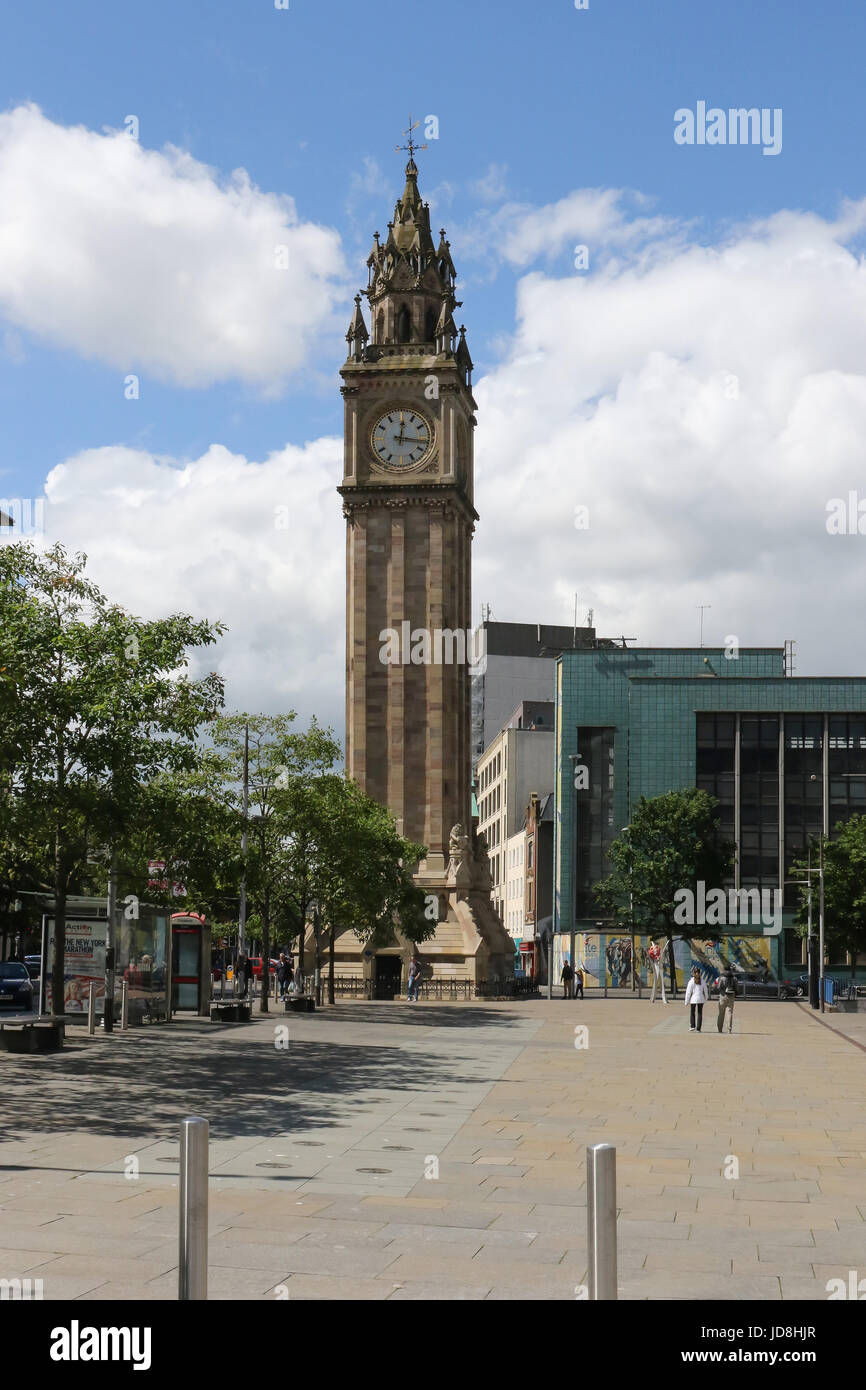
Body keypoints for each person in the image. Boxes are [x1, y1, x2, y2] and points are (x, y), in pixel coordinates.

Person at [684, 966, 708, 1032]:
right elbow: (705, 990)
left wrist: (686, 1001)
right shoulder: (702, 981)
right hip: (701, 999)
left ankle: (692, 1026)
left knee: (692, 1012)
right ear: (699, 973)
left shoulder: (691, 981)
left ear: (693, 973)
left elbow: (688, 992)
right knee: (700, 1013)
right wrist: (706, 998)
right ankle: (698, 1028)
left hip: (693, 999)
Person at [716, 964, 738, 1033]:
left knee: (721, 1013)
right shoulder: (734, 978)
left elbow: (718, 987)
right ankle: (729, 1029)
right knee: (729, 1013)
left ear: (724, 969)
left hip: (722, 996)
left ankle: (720, 1029)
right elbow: (737, 988)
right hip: (731, 996)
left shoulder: (722, 977)